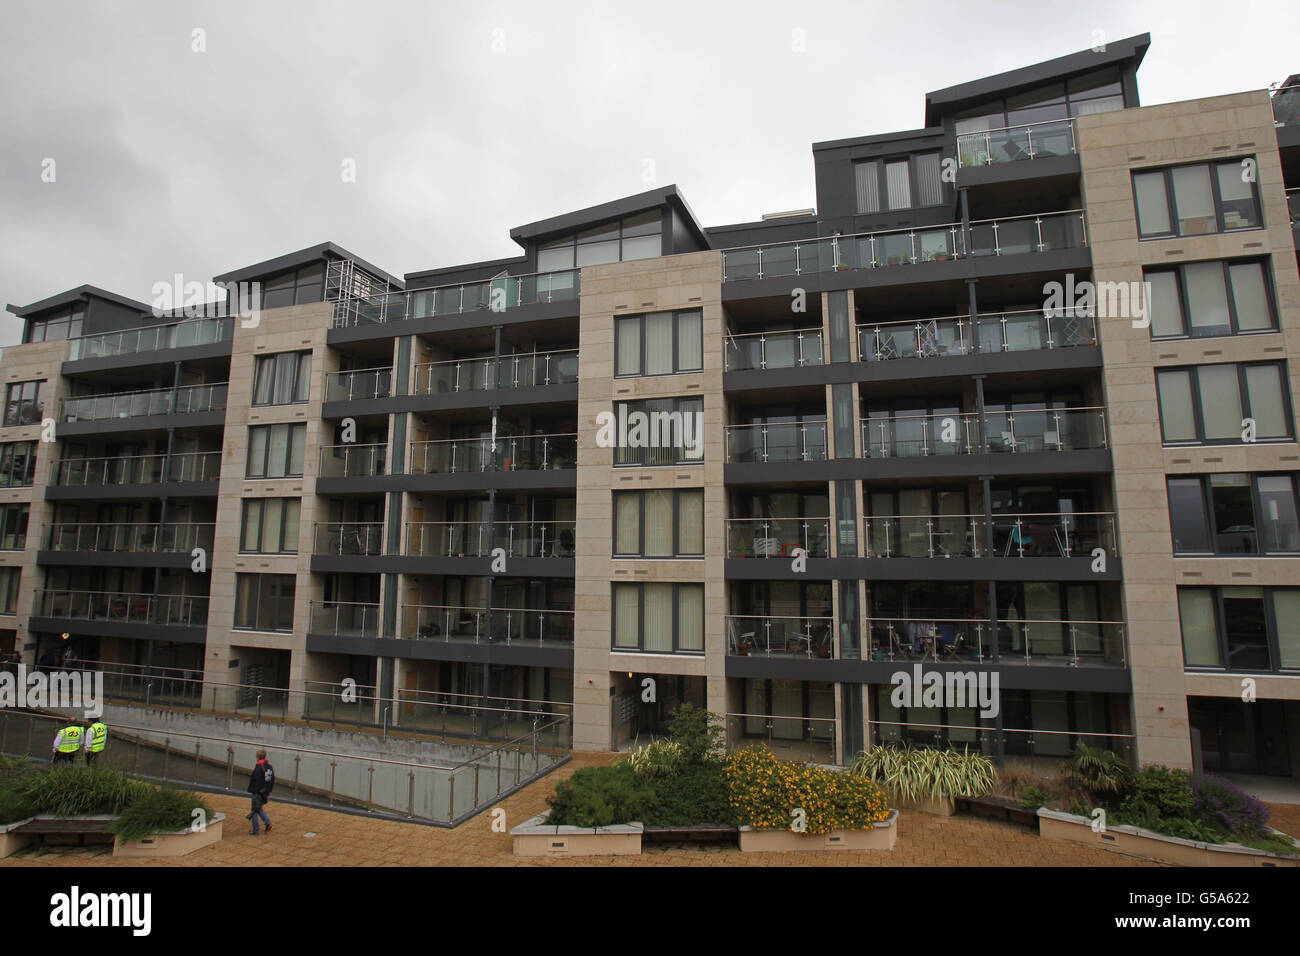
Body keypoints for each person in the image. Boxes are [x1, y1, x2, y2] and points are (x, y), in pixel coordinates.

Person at [246, 750, 275, 835]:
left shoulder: (258, 768)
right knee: (259, 809)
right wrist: (268, 790)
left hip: (257, 792)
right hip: (265, 792)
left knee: (254, 810)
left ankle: (256, 829)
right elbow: (272, 780)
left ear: (257, 757)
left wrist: (254, 791)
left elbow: (256, 781)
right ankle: (267, 823)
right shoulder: (269, 767)